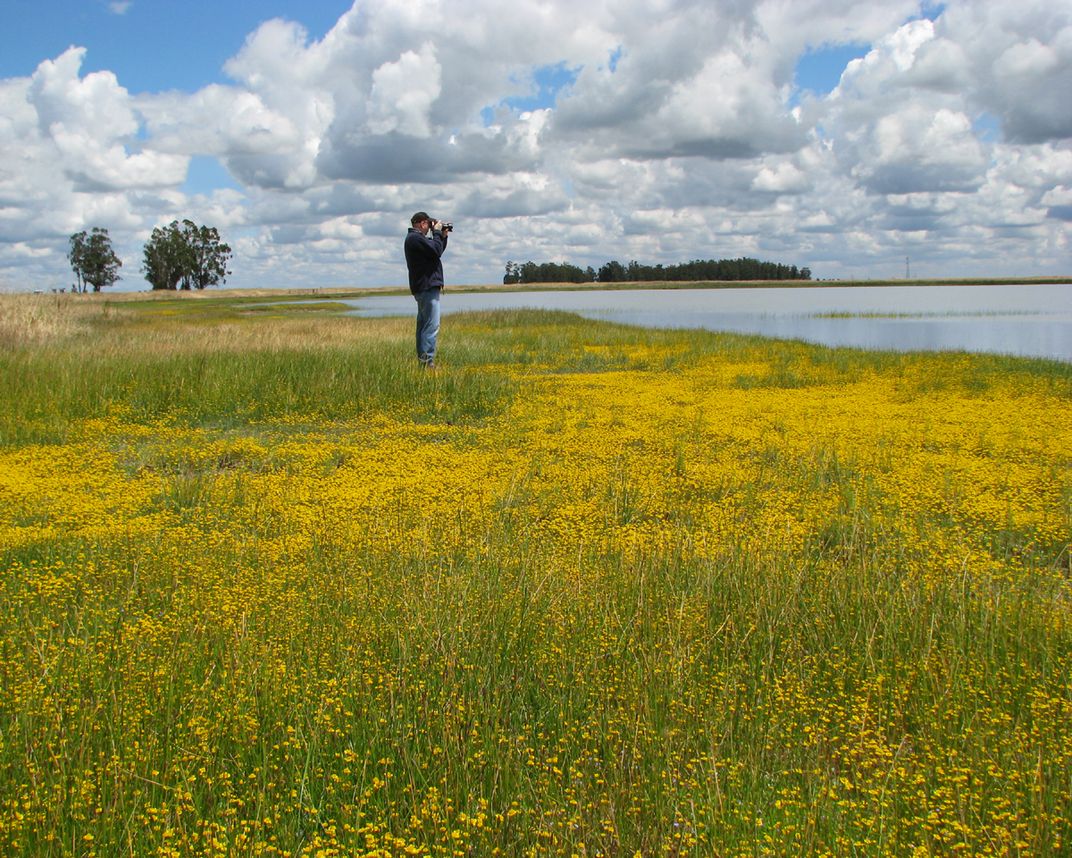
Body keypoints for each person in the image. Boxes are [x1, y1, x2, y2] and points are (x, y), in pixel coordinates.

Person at [404, 211, 449, 368]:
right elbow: (435, 250)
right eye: (429, 224)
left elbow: (436, 252)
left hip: (424, 286)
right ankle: (427, 362)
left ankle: (424, 361)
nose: (430, 227)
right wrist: (437, 233)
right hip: (427, 286)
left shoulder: (416, 239)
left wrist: (443, 236)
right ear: (422, 223)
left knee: (424, 325)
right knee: (431, 325)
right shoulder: (415, 238)